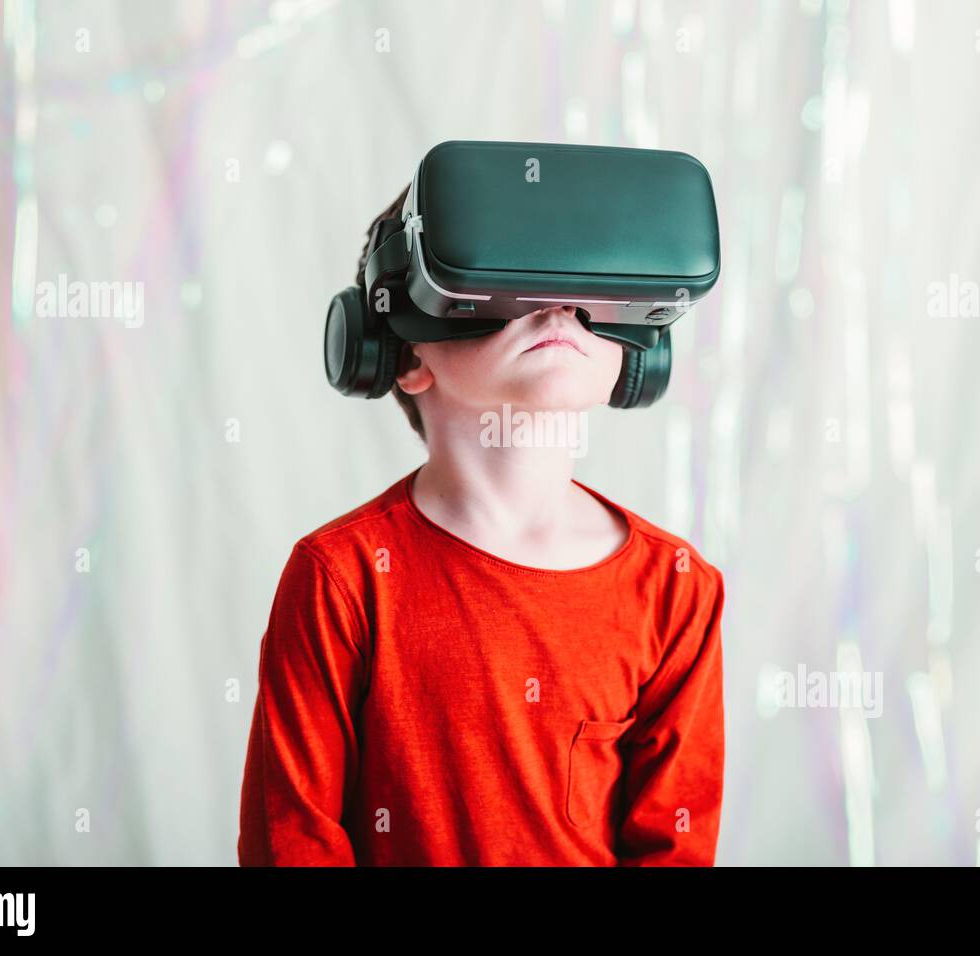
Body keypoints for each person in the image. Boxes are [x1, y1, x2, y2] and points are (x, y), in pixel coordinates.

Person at [237, 185, 725, 866]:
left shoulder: (677, 590)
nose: (554, 303)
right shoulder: (340, 579)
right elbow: (291, 842)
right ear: (404, 355)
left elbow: (673, 849)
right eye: (502, 278)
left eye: (581, 282)